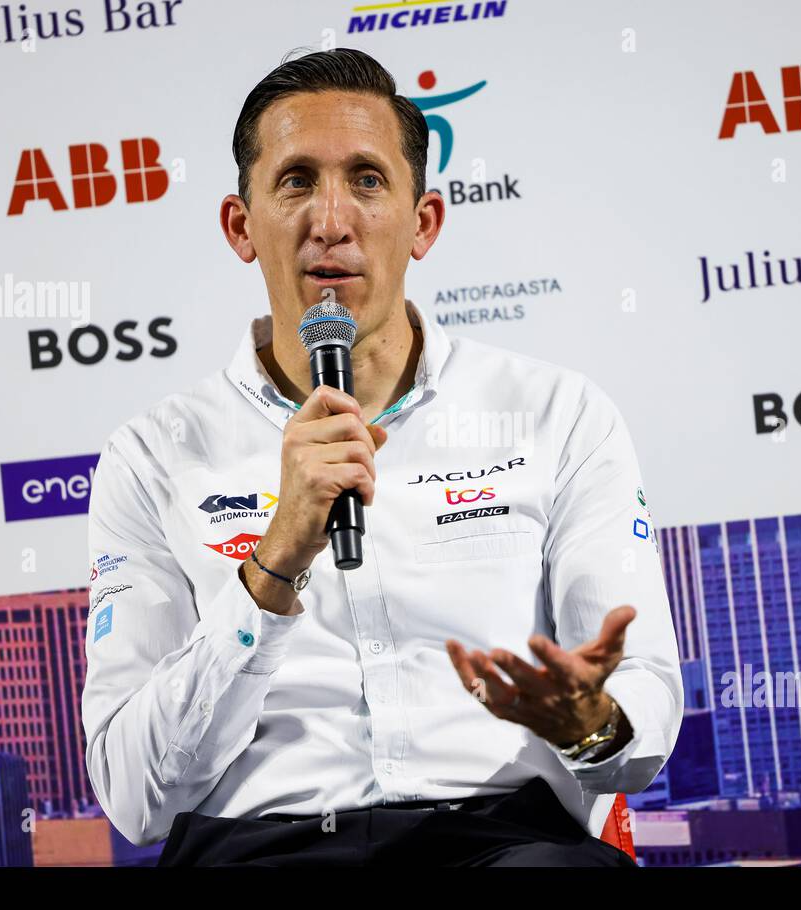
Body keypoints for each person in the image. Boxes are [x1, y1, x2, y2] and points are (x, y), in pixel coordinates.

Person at [80, 47, 682, 867]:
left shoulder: (556, 415)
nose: (332, 220)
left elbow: (641, 709)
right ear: (240, 225)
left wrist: (591, 722)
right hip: (263, 851)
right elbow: (136, 796)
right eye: (296, 181)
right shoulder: (152, 457)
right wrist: (273, 566)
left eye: (367, 179)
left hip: (502, 844)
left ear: (423, 222)